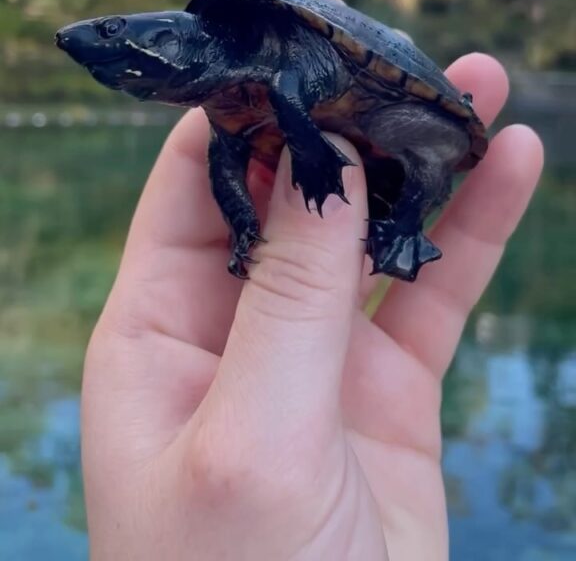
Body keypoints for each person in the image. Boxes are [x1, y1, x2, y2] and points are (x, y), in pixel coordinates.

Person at [81, 53, 543, 560]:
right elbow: (229, 168)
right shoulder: (227, 109)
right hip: (369, 134)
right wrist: (246, 230)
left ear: (175, 38)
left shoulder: (283, 56)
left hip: (394, 113)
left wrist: (311, 151)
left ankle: (406, 221)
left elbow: (291, 81)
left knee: (428, 144)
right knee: (234, 155)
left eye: (114, 37)